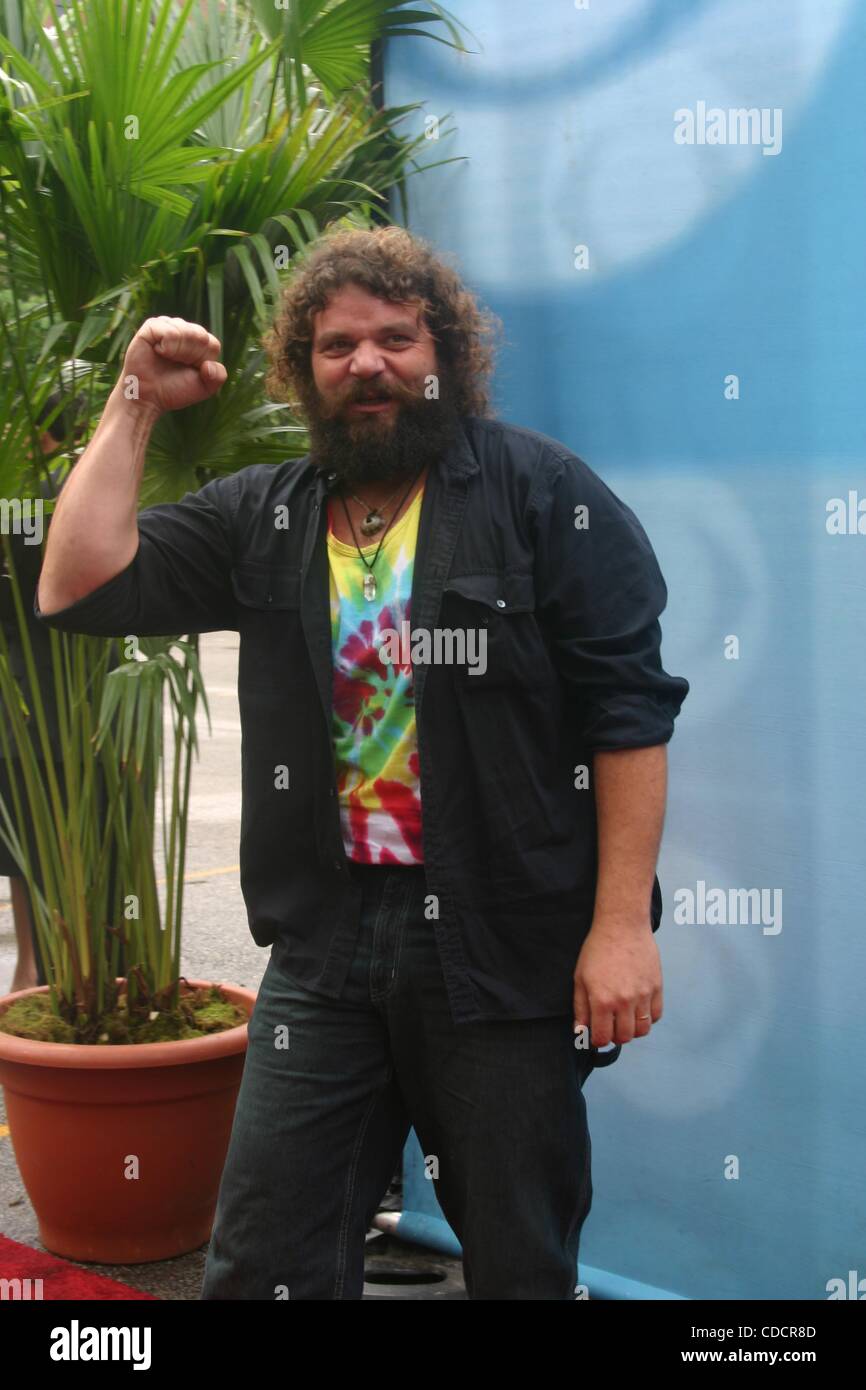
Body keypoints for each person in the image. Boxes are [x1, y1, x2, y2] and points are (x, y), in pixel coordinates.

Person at [34, 226, 689, 1300]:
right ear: (303, 370)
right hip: (323, 946)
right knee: (262, 1261)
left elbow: (630, 713)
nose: (368, 363)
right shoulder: (265, 512)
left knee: (521, 1258)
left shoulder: (539, 496)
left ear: (445, 355)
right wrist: (135, 399)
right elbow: (80, 584)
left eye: (395, 337)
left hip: (504, 944)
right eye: (336, 346)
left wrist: (617, 925)